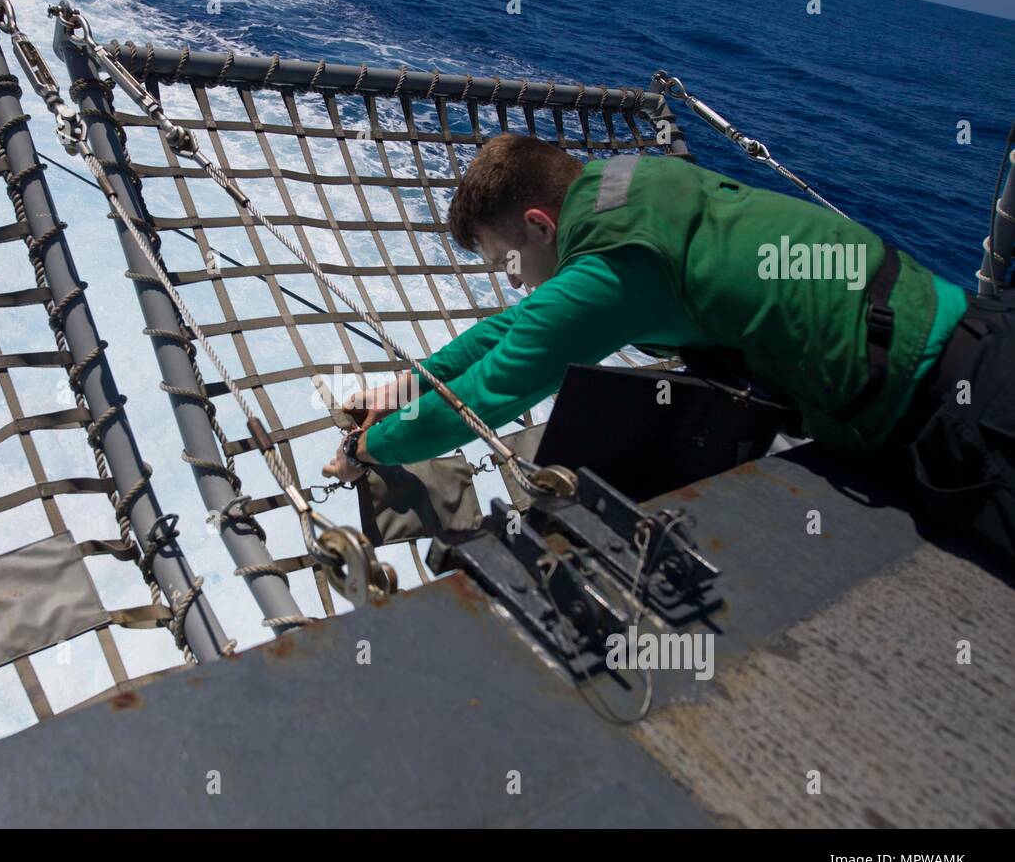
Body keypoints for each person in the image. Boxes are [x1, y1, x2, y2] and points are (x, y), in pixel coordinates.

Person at [321, 133, 1015, 563]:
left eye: (507, 262)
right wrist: (407, 388)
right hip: (971, 327)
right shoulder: (626, 186)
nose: (514, 285)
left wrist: (366, 452)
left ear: (538, 225)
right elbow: (508, 334)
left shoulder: (609, 271)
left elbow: (488, 395)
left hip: (962, 415)